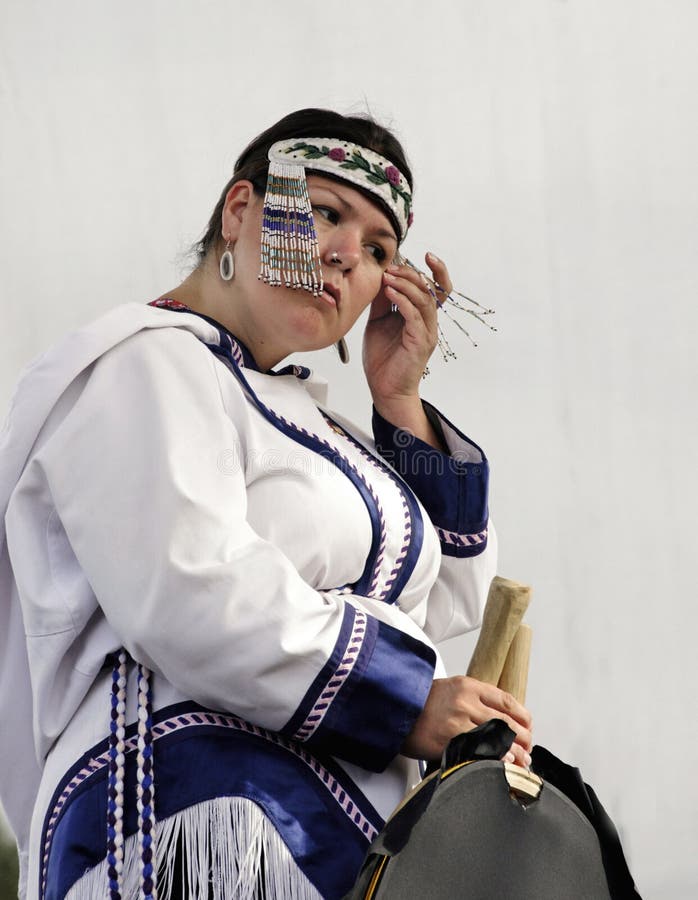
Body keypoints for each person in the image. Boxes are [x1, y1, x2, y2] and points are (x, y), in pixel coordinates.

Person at [0, 108, 532, 900]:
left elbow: (444, 601)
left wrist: (400, 401)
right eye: (323, 212)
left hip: (350, 851)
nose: (348, 256)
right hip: (204, 826)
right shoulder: (144, 360)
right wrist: (404, 701)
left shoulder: (325, 427)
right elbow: (190, 589)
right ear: (241, 211)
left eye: (380, 250)